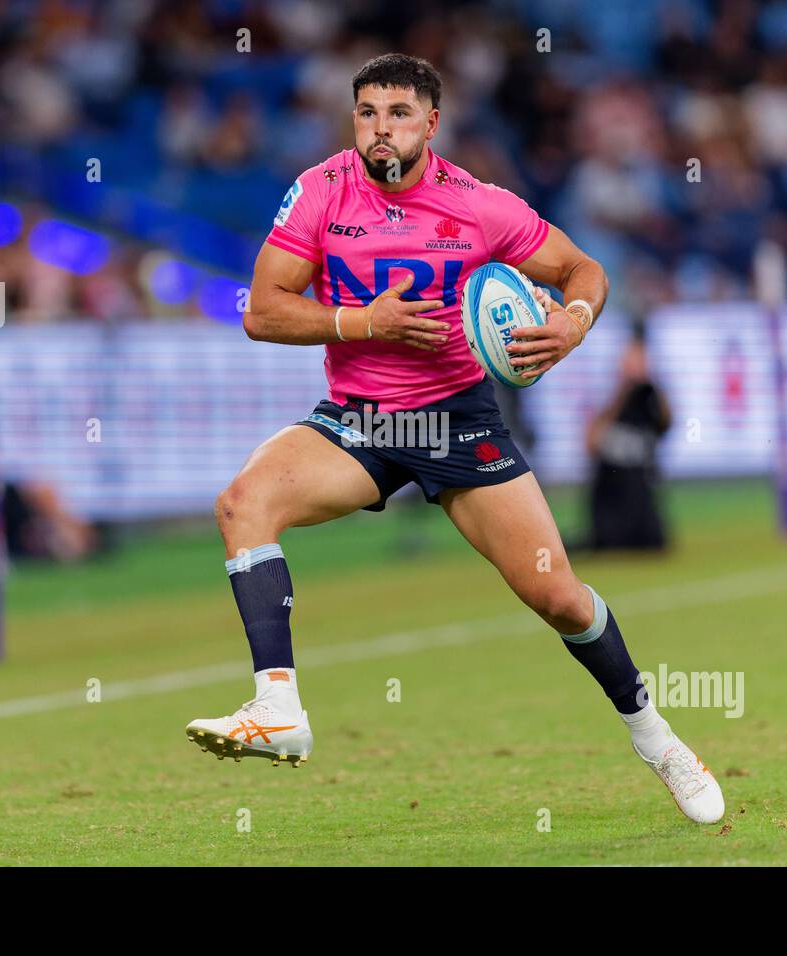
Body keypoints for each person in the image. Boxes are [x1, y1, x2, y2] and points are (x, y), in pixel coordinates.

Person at [185, 55, 723, 824]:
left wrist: (571, 324)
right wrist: (361, 322)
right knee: (243, 504)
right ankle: (278, 710)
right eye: (366, 112)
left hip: (456, 421)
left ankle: (657, 737)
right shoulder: (320, 190)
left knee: (561, 599)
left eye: (398, 113)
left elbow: (583, 268)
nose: (380, 128)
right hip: (360, 421)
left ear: (431, 123)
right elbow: (262, 310)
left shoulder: (478, 205)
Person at [585, 320, 673, 550]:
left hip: (639, 483)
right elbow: (591, 443)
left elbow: (667, 424)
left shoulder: (650, 395)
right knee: (609, 543)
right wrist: (624, 387)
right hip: (611, 484)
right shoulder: (610, 392)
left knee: (653, 543)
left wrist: (649, 382)